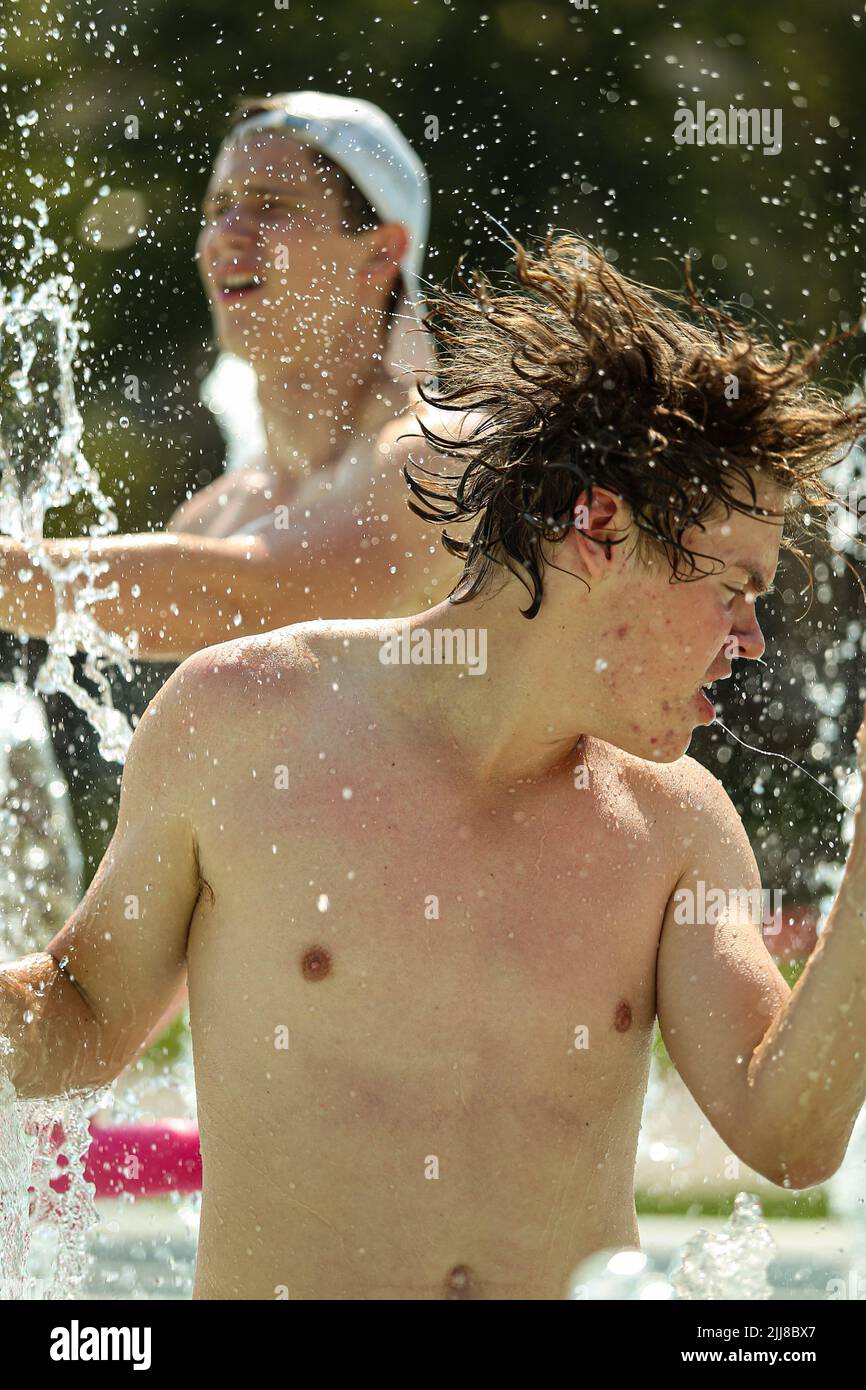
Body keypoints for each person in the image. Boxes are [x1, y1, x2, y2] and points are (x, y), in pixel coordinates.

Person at [5, 236, 866, 1301]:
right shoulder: (242, 722)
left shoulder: (673, 824)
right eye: (733, 584)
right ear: (598, 525)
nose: (749, 636)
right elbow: (79, 1020)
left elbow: (787, 1134)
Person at [0, 92, 464, 661]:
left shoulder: (444, 455)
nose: (227, 233)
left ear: (380, 253)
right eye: (217, 209)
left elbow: (284, 594)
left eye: (270, 205)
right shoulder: (214, 520)